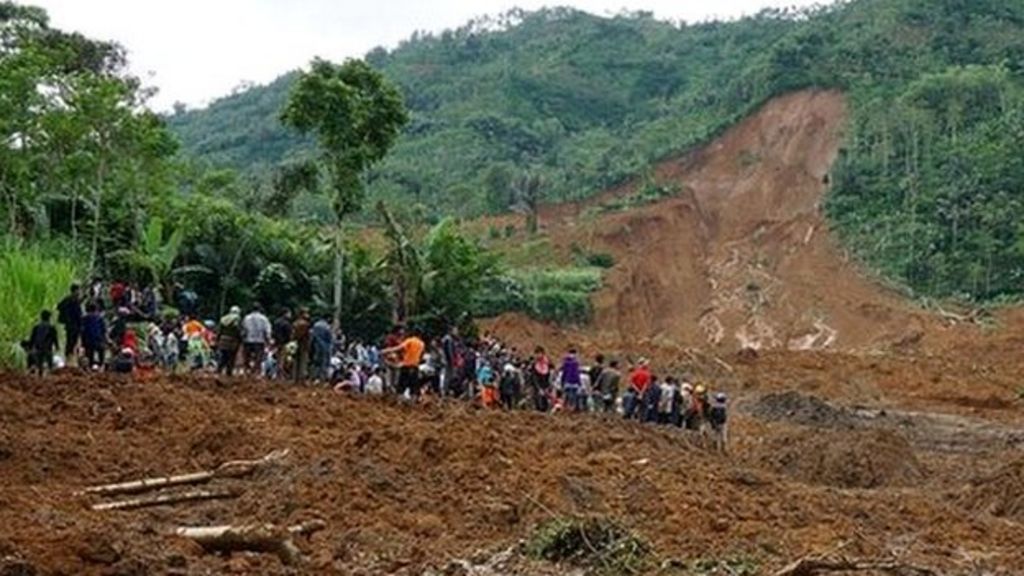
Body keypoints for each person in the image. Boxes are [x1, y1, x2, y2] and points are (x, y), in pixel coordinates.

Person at [382, 326, 426, 400]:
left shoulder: (409, 340)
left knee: (401, 385)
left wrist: (385, 351)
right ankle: (413, 402)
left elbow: (398, 348)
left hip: (406, 365)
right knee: (414, 386)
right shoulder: (422, 344)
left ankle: (399, 401)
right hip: (415, 366)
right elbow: (421, 356)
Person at [25, 310, 59, 376]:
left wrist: (30, 346)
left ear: (41, 317)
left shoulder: (36, 327)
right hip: (48, 347)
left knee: (39, 363)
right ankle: (50, 375)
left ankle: (40, 375)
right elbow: (54, 338)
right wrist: (57, 346)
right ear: (49, 317)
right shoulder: (51, 327)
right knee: (49, 362)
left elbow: (32, 338)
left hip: (38, 347)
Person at [242, 304, 272, 375]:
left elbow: (244, 330)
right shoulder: (264, 319)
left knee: (247, 357)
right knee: (258, 358)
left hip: (248, 340)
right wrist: (268, 340)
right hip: (259, 341)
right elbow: (267, 330)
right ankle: (255, 372)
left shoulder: (247, 318)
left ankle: (247, 371)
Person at [56, 284, 83, 361]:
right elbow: (78, 313)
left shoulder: (69, 299)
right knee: (71, 341)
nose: (79, 292)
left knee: (71, 341)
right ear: (75, 290)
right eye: (78, 290)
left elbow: (59, 306)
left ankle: (69, 356)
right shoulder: (73, 299)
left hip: (71, 324)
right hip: (73, 324)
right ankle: (69, 356)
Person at [216, 306, 243, 376]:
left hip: (223, 340)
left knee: (223, 356)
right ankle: (229, 372)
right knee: (231, 357)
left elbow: (219, 331)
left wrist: (217, 339)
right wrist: (240, 338)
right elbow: (237, 329)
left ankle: (219, 370)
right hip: (232, 341)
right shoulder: (237, 319)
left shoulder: (223, 319)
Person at [81, 303, 108, 370]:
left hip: (88, 340)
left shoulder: (84, 318)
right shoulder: (100, 318)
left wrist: (82, 342)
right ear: (96, 309)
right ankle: (101, 366)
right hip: (98, 340)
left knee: (89, 355)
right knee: (101, 353)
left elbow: (82, 330)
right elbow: (104, 330)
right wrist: (106, 340)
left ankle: (90, 367)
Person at [311, 316, 334, 382]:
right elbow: (329, 337)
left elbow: (313, 335)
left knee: (316, 362)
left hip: (316, 346)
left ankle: (314, 377)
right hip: (325, 347)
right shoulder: (327, 327)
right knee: (324, 363)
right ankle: (322, 378)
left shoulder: (316, 325)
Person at [529, 346, 552, 412]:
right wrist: (538, 388)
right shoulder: (534, 364)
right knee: (538, 402)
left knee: (545, 403)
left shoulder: (547, 364)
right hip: (537, 387)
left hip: (545, 386)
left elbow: (549, 376)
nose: (537, 355)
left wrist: (548, 387)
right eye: (536, 354)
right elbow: (533, 377)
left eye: (539, 353)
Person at [291, 309, 312, 382]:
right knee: (303, 361)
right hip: (303, 344)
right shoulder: (305, 324)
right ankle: (301, 378)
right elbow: (307, 336)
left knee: (296, 361)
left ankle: (294, 378)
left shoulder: (295, 323)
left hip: (295, 344)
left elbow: (292, 335)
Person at [560, 348, 583, 412]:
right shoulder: (576, 363)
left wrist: (562, 382)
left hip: (567, 382)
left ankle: (566, 410)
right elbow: (577, 374)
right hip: (574, 383)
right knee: (573, 399)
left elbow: (564, 373)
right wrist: (579, 383)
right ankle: (571, 410)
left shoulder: (565, 362)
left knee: (567, 398)